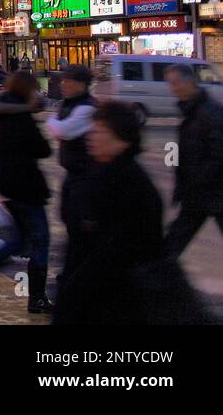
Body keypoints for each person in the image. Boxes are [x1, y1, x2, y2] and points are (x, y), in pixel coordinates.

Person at [54, 104, 212, 324]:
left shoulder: (127, 182)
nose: (91, 135)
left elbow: (114, 250)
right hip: (96, 291)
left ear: (122, 138)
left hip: (115, 296)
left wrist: (73, 292)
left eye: (100, 130)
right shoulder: (99, 172)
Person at [0, 71, 54, 313]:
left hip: (8, 187)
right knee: (40, 241)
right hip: (26, 188)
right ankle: (37, 298)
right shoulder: (21, 117)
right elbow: (43, 149)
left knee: (22, 239)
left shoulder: (4, 112)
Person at [44, 63, 97, 290]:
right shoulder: (71, 104)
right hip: (74, 175)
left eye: (69, 81)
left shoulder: (87, 108)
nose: (63, 85)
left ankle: (75, 279)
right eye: (63, 80)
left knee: (80, 231)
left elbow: (61, 130)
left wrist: (54, 122)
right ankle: (73, 276)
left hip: (86, 178)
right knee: (71, 226)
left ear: (83, 85)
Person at [163, 64, 223, 257]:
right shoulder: (193, 111)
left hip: (210, 192)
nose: (174, 88)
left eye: (177, 83)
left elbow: (218, 154)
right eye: (170, 84)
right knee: (172, 245)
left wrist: (197, 180)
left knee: (172, 245)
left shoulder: (209, 112)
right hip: (199, 193)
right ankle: (156, 282)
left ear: (191, 82)